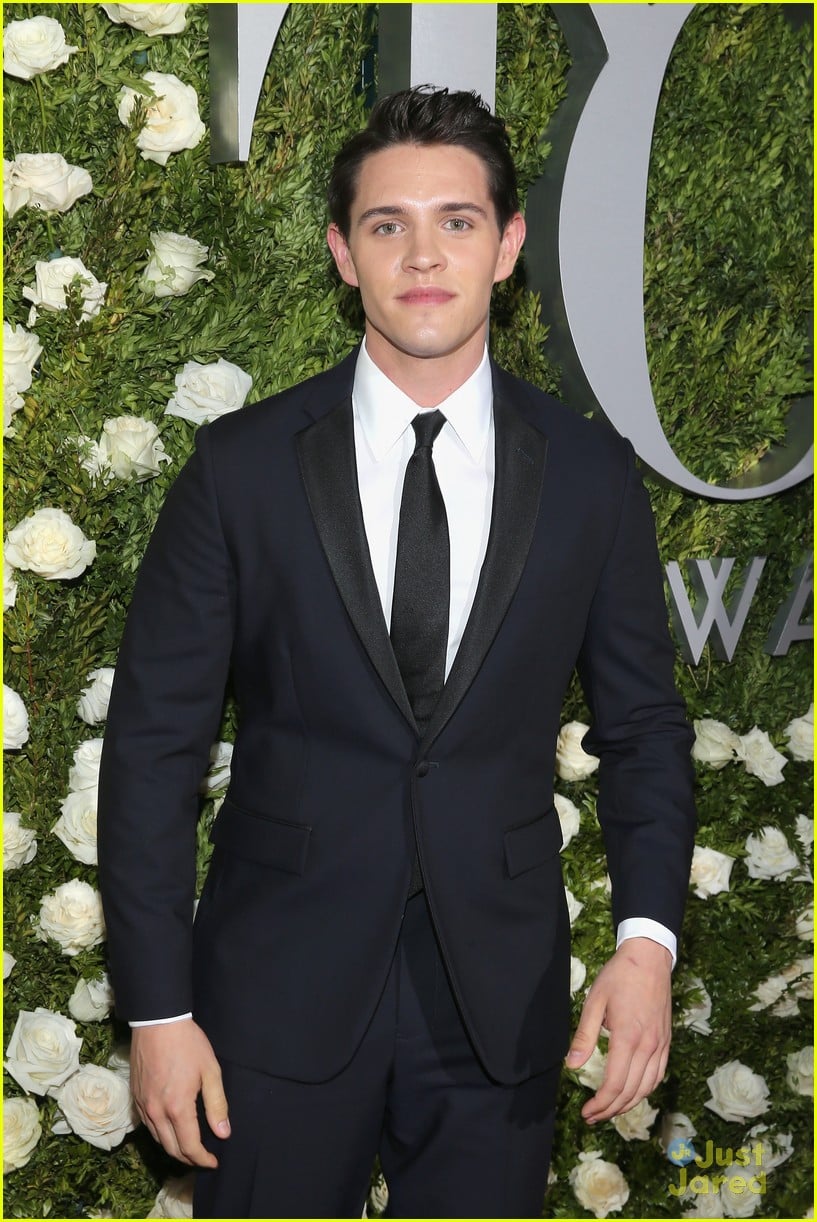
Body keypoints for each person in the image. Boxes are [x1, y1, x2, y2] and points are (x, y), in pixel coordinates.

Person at [98, 85, 696, 1219]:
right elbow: (153, 751)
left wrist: (648, 944)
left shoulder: (586, 474)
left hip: (500, 1007)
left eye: (457, 221)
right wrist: (157, 1012)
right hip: (266, 1006)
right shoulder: (240, 467)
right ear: (342, 252)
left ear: (509, 245)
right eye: (387, 225)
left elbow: (644, 728)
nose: (423, 255)